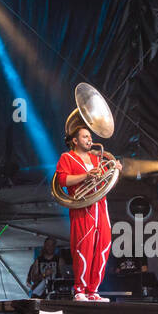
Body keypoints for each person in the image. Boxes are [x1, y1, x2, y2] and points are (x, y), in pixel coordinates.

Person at [53, 125, 111, 302]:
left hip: (100, 206)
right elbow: (62, 179)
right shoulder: (67, 157)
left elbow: (105, 180)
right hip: (82, 207)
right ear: (75, 141)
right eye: (85, 137)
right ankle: (80, 289)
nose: (90, 139)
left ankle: (93, 290)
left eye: (90, 136)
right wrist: (86, 176)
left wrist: (113, 169)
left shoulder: (96, 158)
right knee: (83, 247)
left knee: (103, 246)